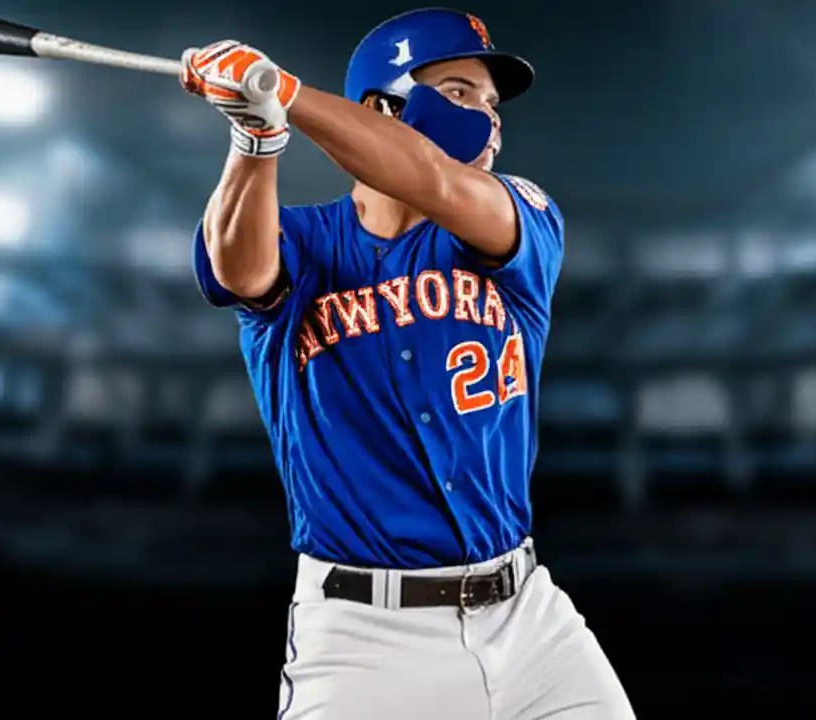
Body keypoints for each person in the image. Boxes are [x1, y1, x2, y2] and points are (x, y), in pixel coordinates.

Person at [181, 7, 635, 719]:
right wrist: (257, 135)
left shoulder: (524, 212)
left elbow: (436, 181)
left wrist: (287, 93)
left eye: (492, 105)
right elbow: (238, 271)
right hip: (363, 637)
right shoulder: (302, 241)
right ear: (381, 107)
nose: (489, 120)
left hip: (528, 618)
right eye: (459, 93)